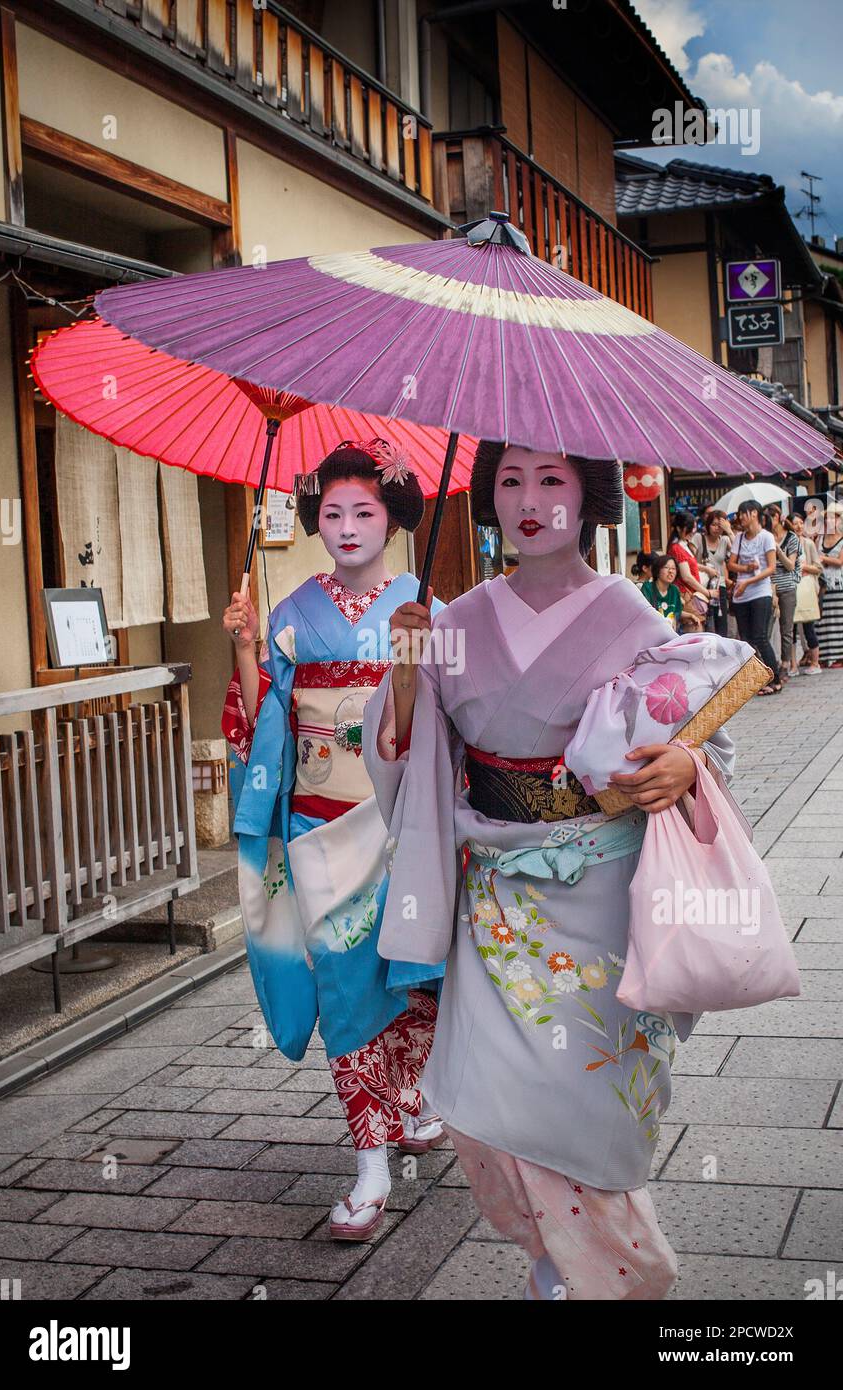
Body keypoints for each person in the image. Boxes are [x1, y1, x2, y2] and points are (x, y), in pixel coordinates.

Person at [363, 444, 751, 1301]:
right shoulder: (453, 621)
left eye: (551, 481)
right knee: (492, 1114)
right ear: (486, 496)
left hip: (603, 899)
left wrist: (686, 764)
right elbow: (412, 751)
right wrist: (403, 675)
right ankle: (552, 1266)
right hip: (497, 902)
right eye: (509, 481)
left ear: (590, 495)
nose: (528, 501)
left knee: (588, 1106)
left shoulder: (632, 615)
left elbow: (697, 735)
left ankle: (611, 1275)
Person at [222, 440, 445, 1241]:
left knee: (414, 978)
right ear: (315, 522)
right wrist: (246, 645)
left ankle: (411, 1100)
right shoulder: (291, 609)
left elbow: (446, 727)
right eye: (331, 512)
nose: (346, 525)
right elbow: (263, 721)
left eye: (364, 511)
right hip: (320, 826)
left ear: (391, 520)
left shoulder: (424, 603)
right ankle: (371, 1163)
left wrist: (418, 664)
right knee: (347, 992)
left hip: (400, 826)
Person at [728, 499, 781, 694]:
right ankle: (757, 680)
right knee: (747, 639)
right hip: (741, 595)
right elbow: (731, 565)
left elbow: (771, 568)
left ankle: (775, 678)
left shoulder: (766, 537)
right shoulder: (739, 538)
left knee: (760, 636)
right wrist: (745, 569)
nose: (741, 517)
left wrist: (748, 581)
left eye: (744, 513)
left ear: (754, 514)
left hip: (760, 592)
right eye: (740, 514)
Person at [764, 504, 801, 683]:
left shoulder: (792, 538)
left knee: (786, 628)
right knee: (766, 629)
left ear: (777, 517)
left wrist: (776, 548)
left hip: (787, 587)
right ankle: (769, 665)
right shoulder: (764, 537)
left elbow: (790, 565)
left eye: (768, 518)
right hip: (768, 587)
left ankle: (785, 664)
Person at [666, 510, 712, 631]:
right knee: (695, 630)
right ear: (679, 528)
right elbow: (687, 576)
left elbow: (689, 565)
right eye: (690, 528)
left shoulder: (683, 545)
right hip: (685, 596)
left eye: (694, 528)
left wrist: (706, 569)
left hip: (690, 596)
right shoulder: (677, 548)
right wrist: (707, 593)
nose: (693, 531)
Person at [790, 512, 822, 675]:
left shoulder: (808, 544)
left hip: (806, 587)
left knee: (809, 626)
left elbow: (818, 567)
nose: (799, 526)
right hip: (790, 587)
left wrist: (804, 567)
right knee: (790, 629)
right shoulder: (785, 544)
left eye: (801, 523)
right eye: (795, 523)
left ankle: (815, 662)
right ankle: (793, 665)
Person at [695, 509, 732, 637]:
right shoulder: (699, 538)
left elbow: (739, 552)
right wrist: (706, 569)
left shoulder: (725, 540)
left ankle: (721, 652)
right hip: (702, 586)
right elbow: (689, 562)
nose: (717, 528)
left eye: (720, 525)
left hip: (719, 586)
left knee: (721, 623)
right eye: (714, 524)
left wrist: (729, 531)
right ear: (708, 524)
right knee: (705, 622)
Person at [816, 501, 843, 668]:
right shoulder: (819, 539)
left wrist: (824, 559)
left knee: (839, 619)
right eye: (827, 519)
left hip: (838, 584)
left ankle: (840, 656)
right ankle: (826, 655)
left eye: (833, 518)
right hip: (822, 585)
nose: (829, 522)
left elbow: (840, 562)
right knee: (823, 620)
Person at [640, 553, 682, 629]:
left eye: (673, 568)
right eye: (666, 567)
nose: (670, 571)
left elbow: (677, 613)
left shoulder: (675, 590)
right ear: (657, 570)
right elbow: (645, 614)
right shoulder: (647, 587)